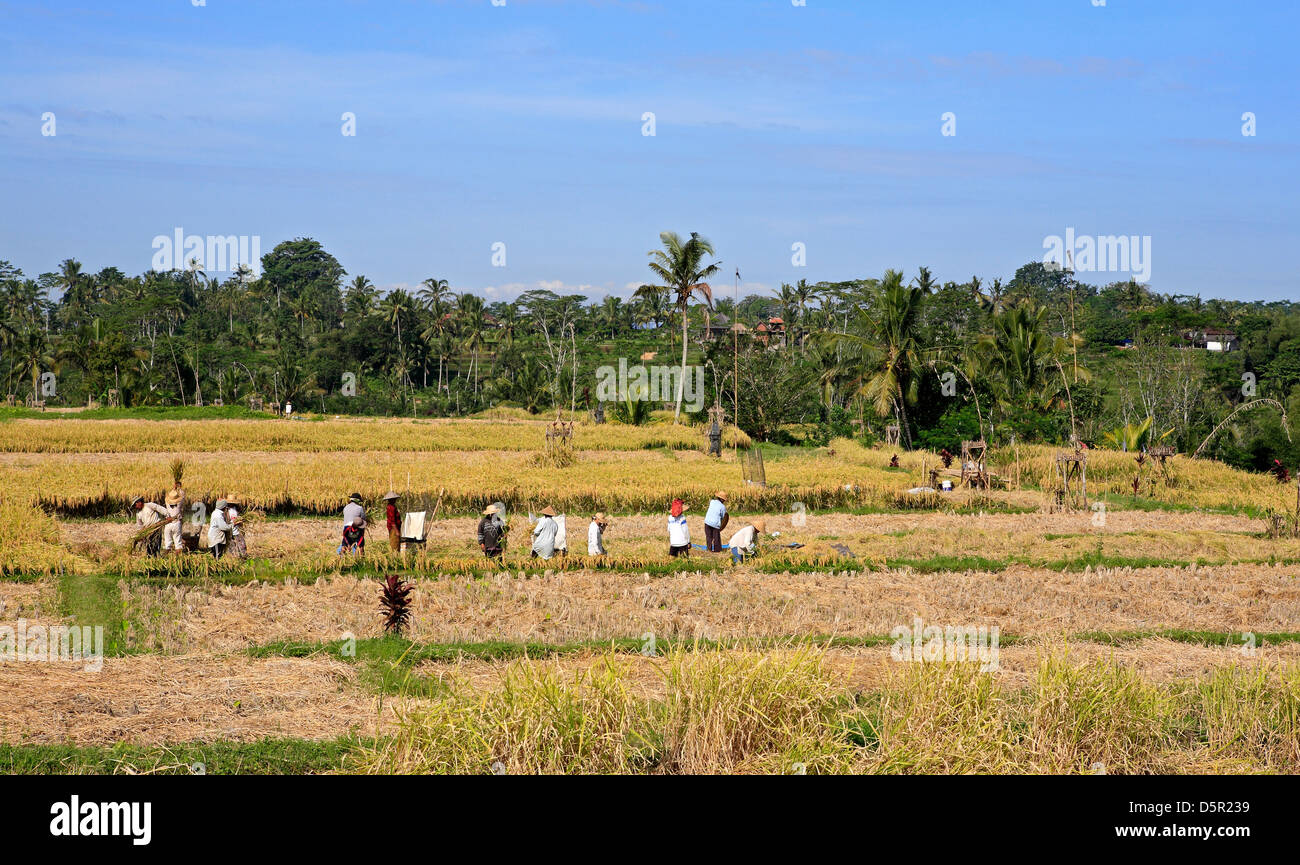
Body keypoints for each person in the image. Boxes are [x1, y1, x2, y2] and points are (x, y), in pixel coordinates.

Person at [162, 481, 185, 555]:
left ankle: (165, 558)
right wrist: (179, 488)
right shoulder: (178, 504)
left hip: (168, 523)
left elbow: (169, 496)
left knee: (167, 544)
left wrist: (174, 488)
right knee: (178, 543)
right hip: (176, 523)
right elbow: (182, 496)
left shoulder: (167, 504)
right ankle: (177, 558)